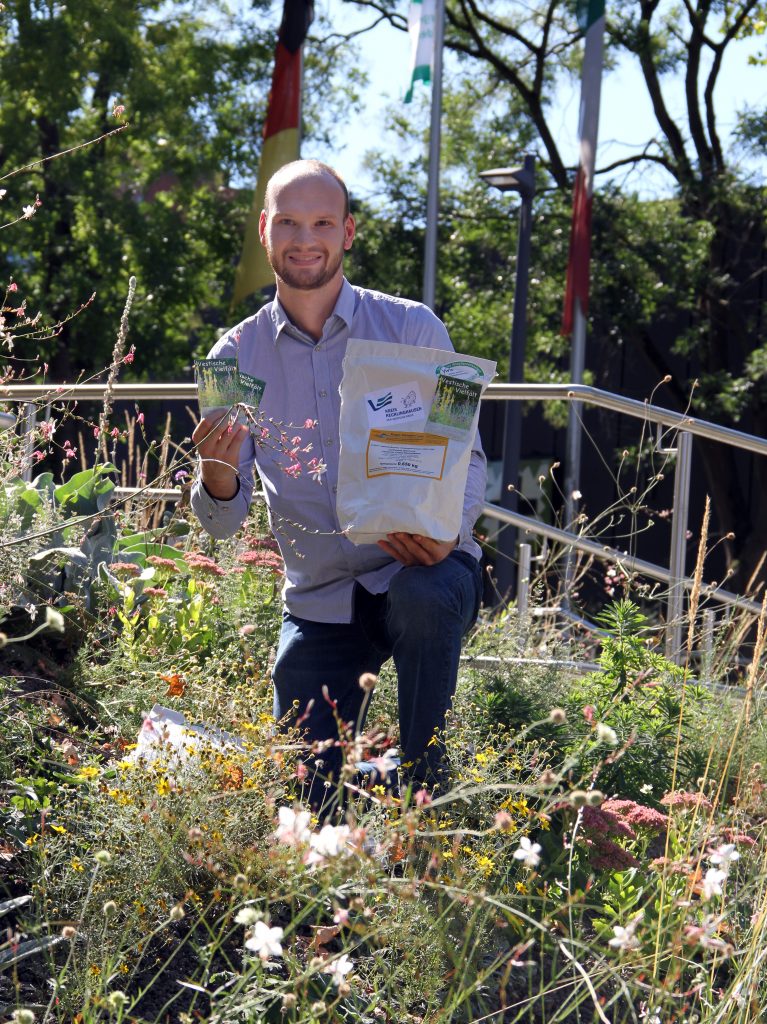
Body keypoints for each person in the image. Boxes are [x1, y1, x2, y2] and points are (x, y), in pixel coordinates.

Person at [191, 159, 486, 811]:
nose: (305, 238)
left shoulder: (414, 327)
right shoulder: (227, 360)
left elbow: (469, 462)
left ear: (348, 232)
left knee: (422, 595)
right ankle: (332, 858)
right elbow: (221, 522)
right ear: (264, 231)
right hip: (320, 599)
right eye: (289, 222)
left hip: (423, 570)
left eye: (322, 222)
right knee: (298, 809)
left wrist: (443, 536)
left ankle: (424, 804)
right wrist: (215, 474)